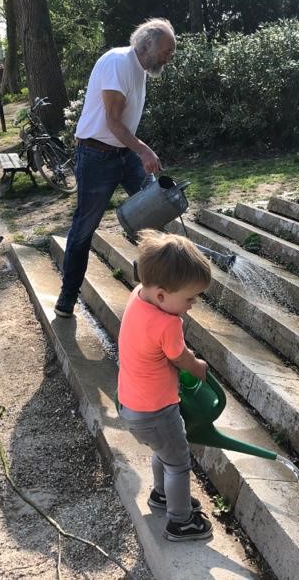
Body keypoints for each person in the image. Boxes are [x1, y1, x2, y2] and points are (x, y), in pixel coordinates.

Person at [55, 18, 176, 318]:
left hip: (124, 154)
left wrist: (136, 151)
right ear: (146, 44)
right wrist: (144, 150)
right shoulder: (118, 63)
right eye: (166, 52)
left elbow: (123, 126)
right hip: (96, 156)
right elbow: (112, 121)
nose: (168, 58)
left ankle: (154, 288)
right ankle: (67, 297)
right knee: (85, 228)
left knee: (155, 212)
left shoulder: (140, 68)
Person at [117, 230, 213, 542]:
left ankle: (162, 494)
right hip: (157, 411)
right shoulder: (168, 323)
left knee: (164, 451)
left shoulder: (138, 295)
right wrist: (198, 367)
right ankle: (180, 521)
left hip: (131, 405)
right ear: (161, 295)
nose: (192, 305)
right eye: (189, 298)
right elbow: (181, 358)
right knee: (179, 463)